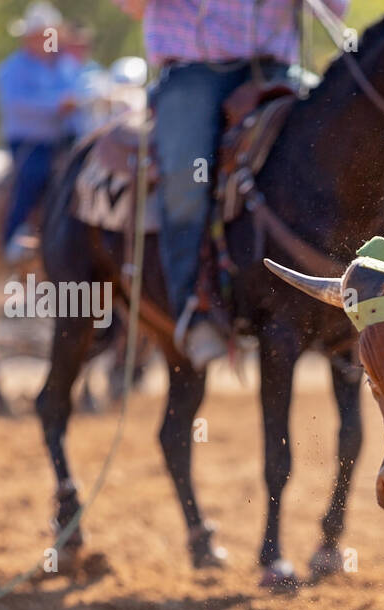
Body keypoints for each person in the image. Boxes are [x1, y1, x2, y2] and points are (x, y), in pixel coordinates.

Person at [115, 0, 350, 370]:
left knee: (340, 137)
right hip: (194, 71)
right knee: (187, 179)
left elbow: (336, 8)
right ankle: (194, 311)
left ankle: (342, 299)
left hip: (277, 70)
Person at [0, 2, 80, 265]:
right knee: (32, 174)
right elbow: (16, 104)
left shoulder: (65, 65)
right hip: (30, 142)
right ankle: (12, 238)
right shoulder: (12, 68)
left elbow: (80, 91)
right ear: (31, 38)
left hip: (65, 139)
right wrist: (57, 105)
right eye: (43, 35)